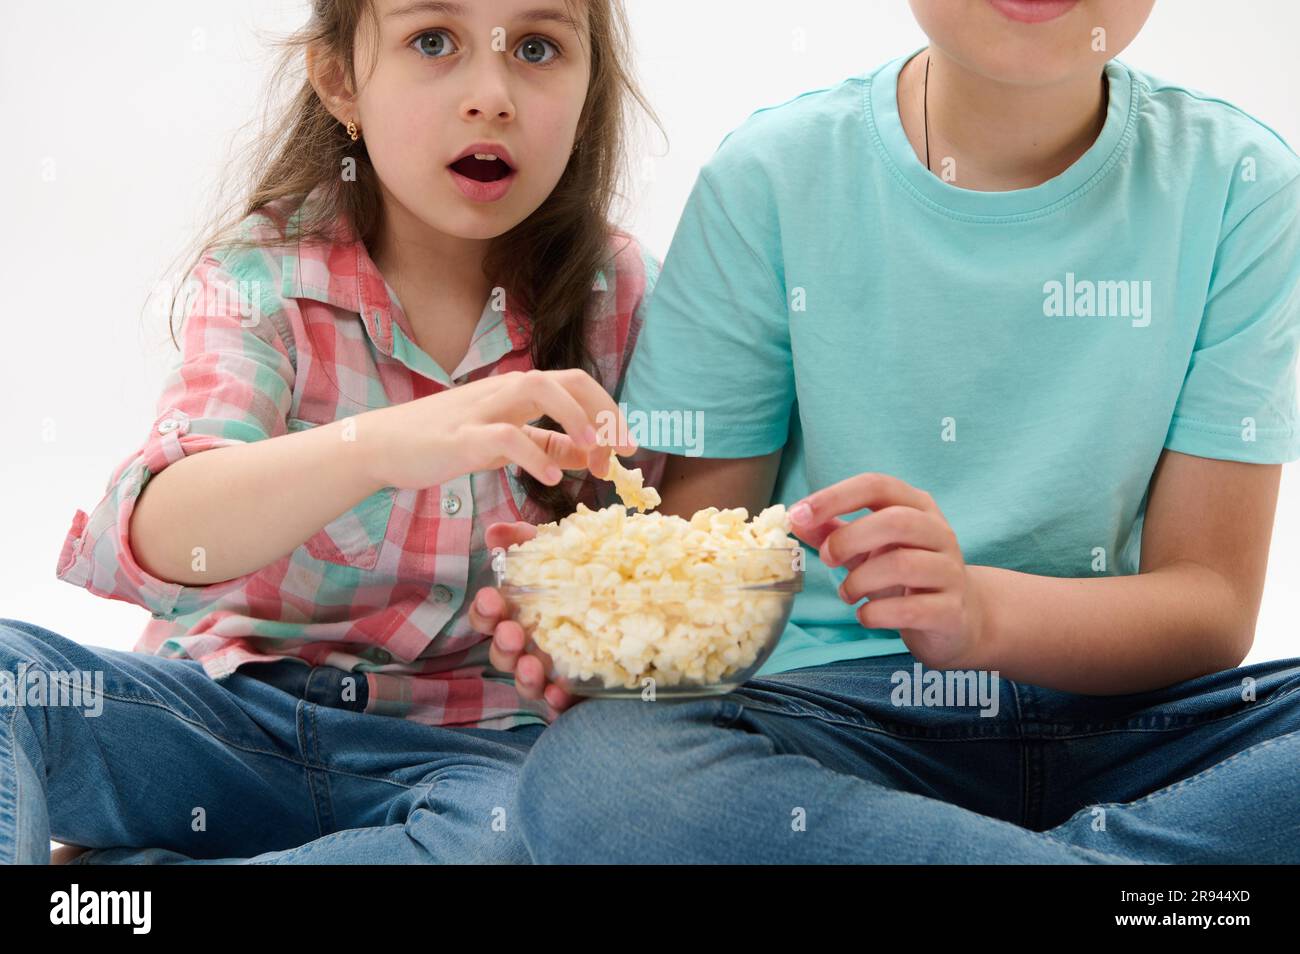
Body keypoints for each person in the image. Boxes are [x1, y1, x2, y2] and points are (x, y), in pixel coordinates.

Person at [471, 0, 1300, 862]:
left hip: (1128, 727)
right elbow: (699, 557)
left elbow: (1210, 604)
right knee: (603, 772)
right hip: (838, 725)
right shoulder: (774, 176)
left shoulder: (1241, 181)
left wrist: (981, 613)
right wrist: (601, 621)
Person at [2, 0, 660, 865]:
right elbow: (160, 534)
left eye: (537, 48)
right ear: (341, 81)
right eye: (433, 41)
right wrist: (382, 444)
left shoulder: (618, 292)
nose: (491, 95)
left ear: (588, 89)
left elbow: (653, 590)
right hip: (229, 719)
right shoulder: (266, 275)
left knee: (532, 835)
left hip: (464, 764)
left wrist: (586, 649)